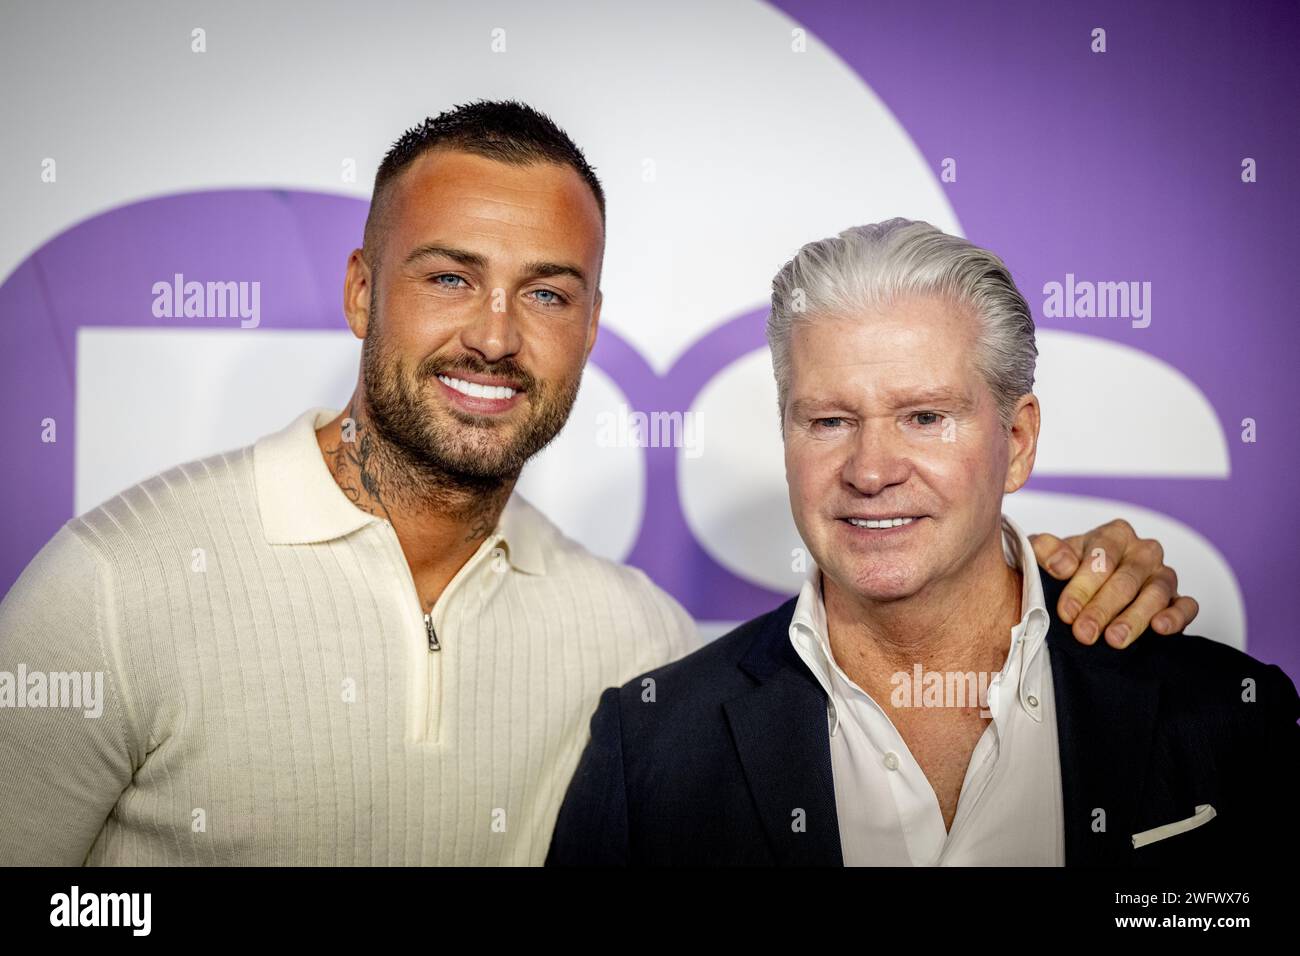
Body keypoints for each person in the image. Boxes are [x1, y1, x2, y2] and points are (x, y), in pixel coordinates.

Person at [0, 106, 1197, 866]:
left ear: (590, 325)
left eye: (547, 291)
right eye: (450, 277)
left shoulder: (631, 647)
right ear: (364, 292)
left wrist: (1060, 569)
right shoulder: (117, 584)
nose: (495, 334)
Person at [547, 218, 1298, 866]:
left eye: (925, 417)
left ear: (1020, 439)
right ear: (787, 439)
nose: (871, 471)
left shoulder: (1227, 714)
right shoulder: (650, 749)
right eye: (830, 421)